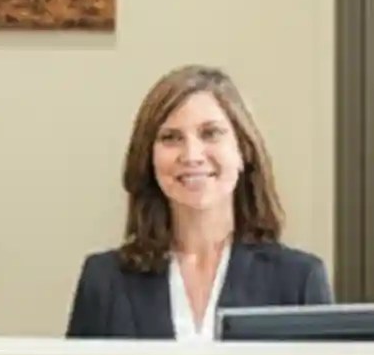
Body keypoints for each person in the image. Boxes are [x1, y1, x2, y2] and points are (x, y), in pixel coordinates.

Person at [65, 64, 332, 340]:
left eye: (210, 133)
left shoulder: (299, 279)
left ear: (244, 150)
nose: (192, 155)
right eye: (171, 138)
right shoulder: (104, 280)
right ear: (148, 159)